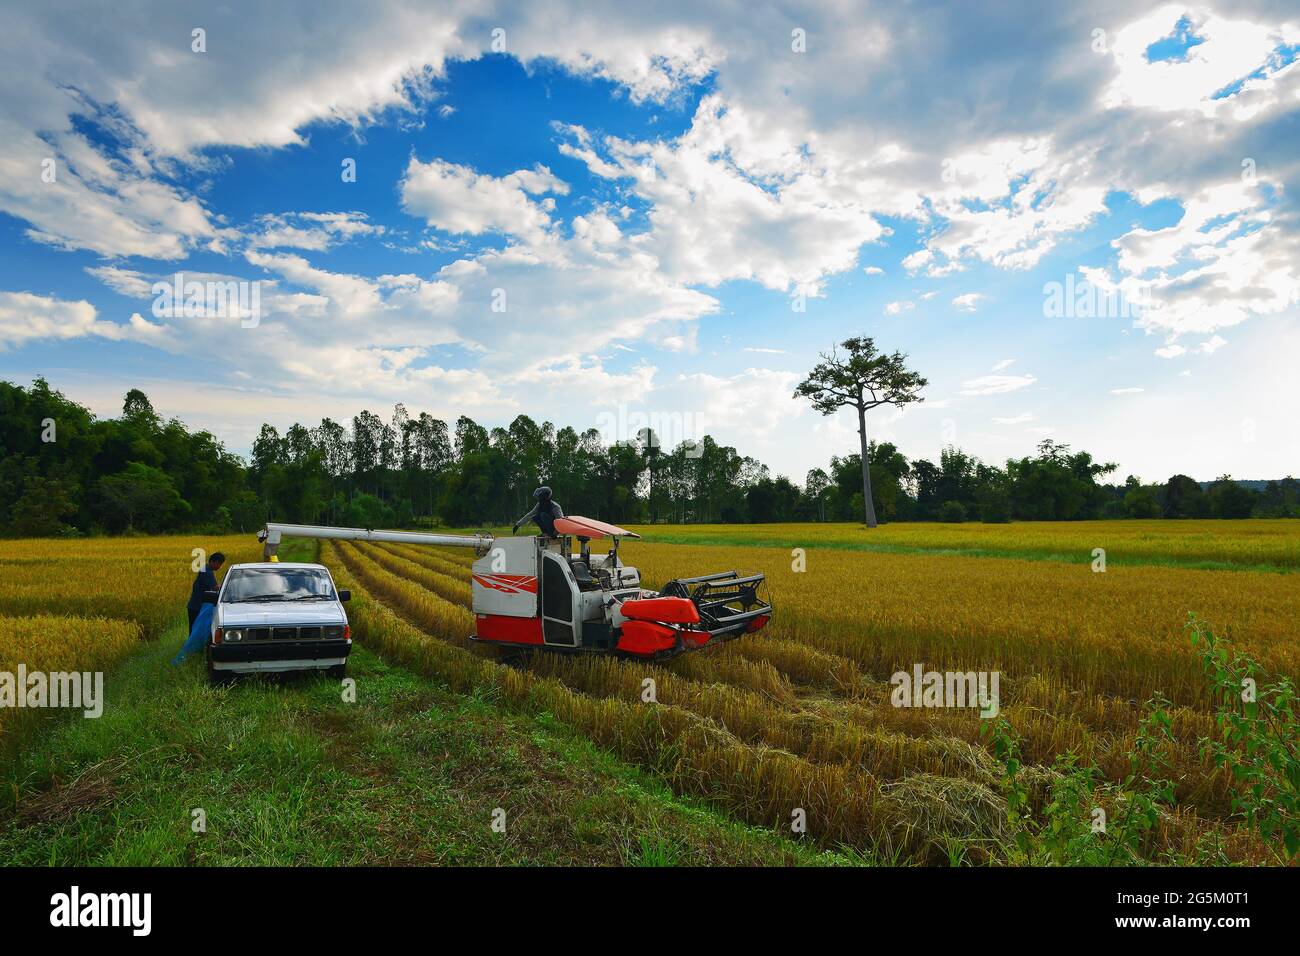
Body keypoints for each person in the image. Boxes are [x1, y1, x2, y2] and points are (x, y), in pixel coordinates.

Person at [187, 552, 225, 631]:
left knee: (195, 629)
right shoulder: (207, 572)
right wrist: (227, 587)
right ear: (216, 562)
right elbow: (215, 588)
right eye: (220, 564)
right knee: (195, 630)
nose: (220, 567)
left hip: (195, 605)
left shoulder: (206, 569)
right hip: (196, 606)